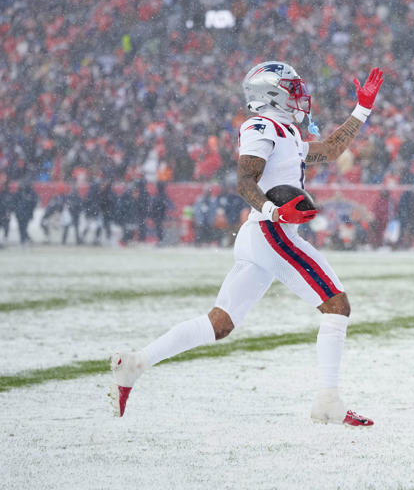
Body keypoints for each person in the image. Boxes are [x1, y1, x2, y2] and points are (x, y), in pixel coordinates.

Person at [110, 62, 384, 427]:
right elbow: (245, 181)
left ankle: (134, 364)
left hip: (262, 235)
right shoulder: (260, 126)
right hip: (272, 232)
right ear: (272, 92)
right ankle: (328, 402)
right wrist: (274, 210)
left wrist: (361, 109)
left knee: (219, 323)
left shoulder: (285, 130)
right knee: (336, 304)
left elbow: (331, 150)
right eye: (292, 88)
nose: (300, 94)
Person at [217, 183, 247, 247]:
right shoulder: (229, 198)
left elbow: (241, 207)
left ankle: (234, 244)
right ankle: (229, 244)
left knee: (235, 232)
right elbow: (226, 209)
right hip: (230, 218)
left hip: (236, 218)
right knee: (230, 232)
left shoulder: (238, 198)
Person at [13, 181, 38, 245]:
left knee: (23, 227)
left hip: (24, 213)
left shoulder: (30, 194)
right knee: (22, 227)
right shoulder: (21, 194)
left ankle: (24, 240)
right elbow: (14, 203)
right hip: (22, 213)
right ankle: (24, 239)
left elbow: (33, 204)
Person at [0, 181, 12, 246]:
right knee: (5, 228)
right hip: (3, 214)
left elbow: (11, 205)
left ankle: (4, 240)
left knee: (6, 228)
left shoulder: (8, 195)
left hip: (5, 214)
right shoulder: (4, 194)